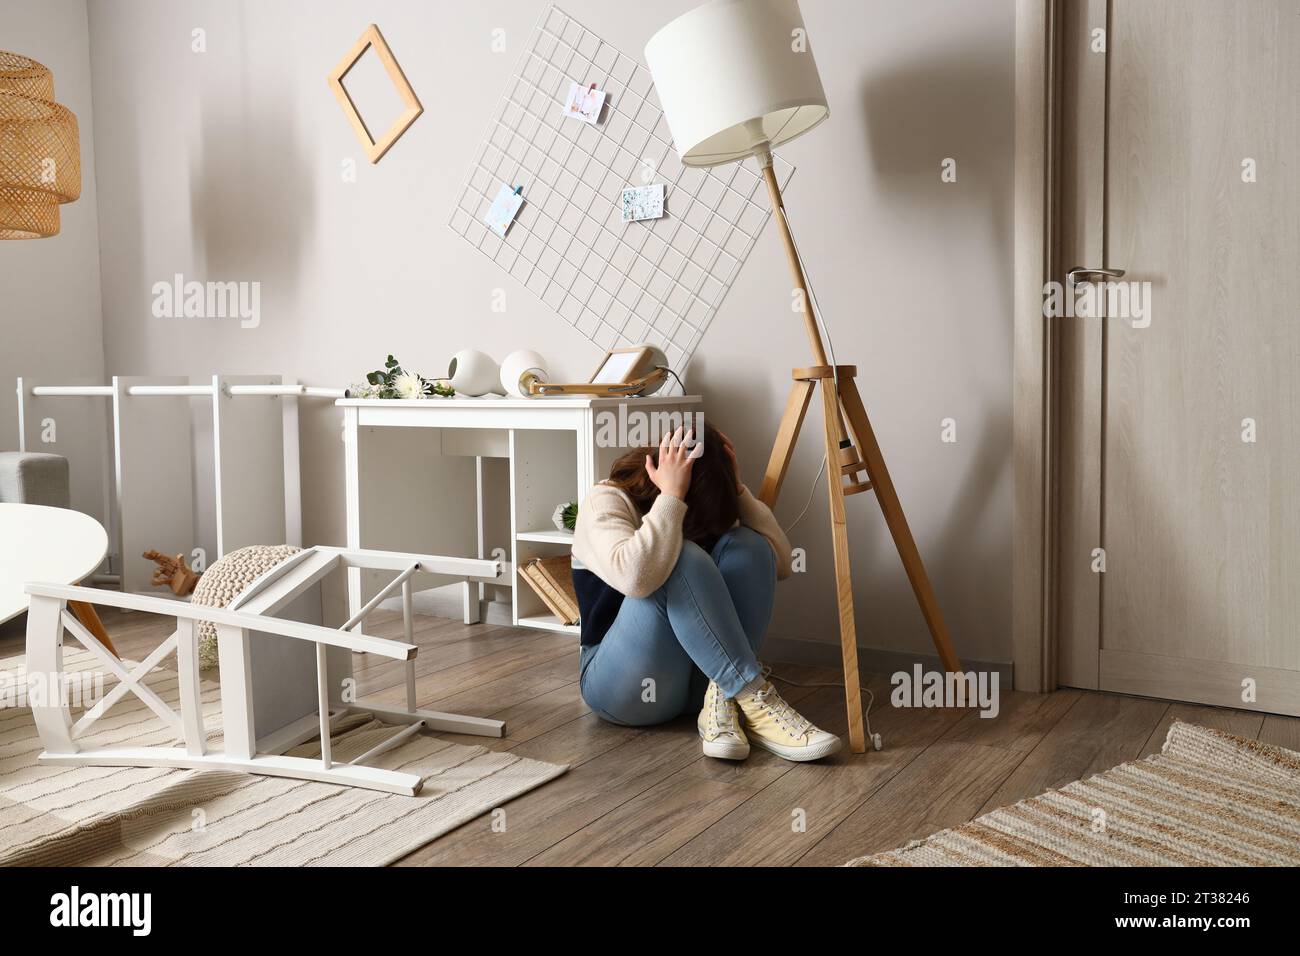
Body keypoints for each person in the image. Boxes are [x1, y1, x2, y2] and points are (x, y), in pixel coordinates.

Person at [571, 422, 841, 761]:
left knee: (750, 546)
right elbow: (634, 578)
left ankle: (722, 704)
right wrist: (672, 497)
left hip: (700, 685)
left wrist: (738, 489)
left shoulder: (717, 501)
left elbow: (781, 562)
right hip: (620, 687)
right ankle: (756, 699)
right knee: (681, 557)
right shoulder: (606, 500)